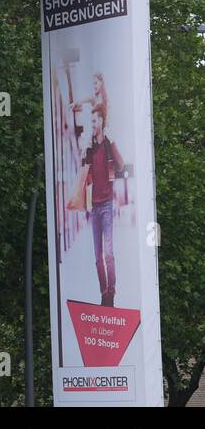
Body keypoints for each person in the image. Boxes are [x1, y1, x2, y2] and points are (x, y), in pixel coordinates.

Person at [66, 104, 126, 306]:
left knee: (108, 253)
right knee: (97, 255)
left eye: (95, 120)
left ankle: (111, 293)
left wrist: (114, 140)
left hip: (107, 204)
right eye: (91, 121)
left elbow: (120, 165)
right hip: (95, 207)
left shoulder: (108, 145)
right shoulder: (90, 149)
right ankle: (103, 294)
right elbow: (83, 176)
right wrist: (84, 154)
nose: (93, 124)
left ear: (102, 122)